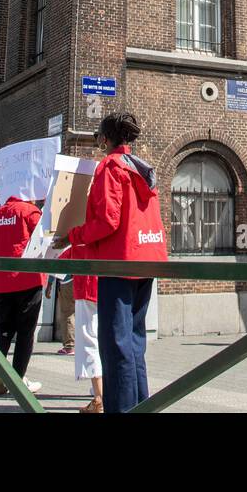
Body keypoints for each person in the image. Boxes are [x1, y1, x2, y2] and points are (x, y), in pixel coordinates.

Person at [54, 112, 166, 414]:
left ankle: (122, 409)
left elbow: (106, 221)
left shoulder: (110, 167)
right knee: (134, 343)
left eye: (97, 138)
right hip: (147, 259)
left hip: (119, 263)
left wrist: (72, 236)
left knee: (115, 345)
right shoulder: (140, 167)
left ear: (104, 139)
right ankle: (142, 405)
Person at [0, 192, 46, 395]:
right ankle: (18, 379)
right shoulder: (30, 212)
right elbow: (42, 240)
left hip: (1, 281)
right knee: (25, 332)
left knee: (4, 328)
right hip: (27, 280)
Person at [54, 244, 102, 411]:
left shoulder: (81, 234)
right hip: (111, 286)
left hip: (88, 287)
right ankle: (103, 392)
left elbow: (59, 261)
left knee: (90, 340)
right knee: (106, 341)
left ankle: (99, 398)